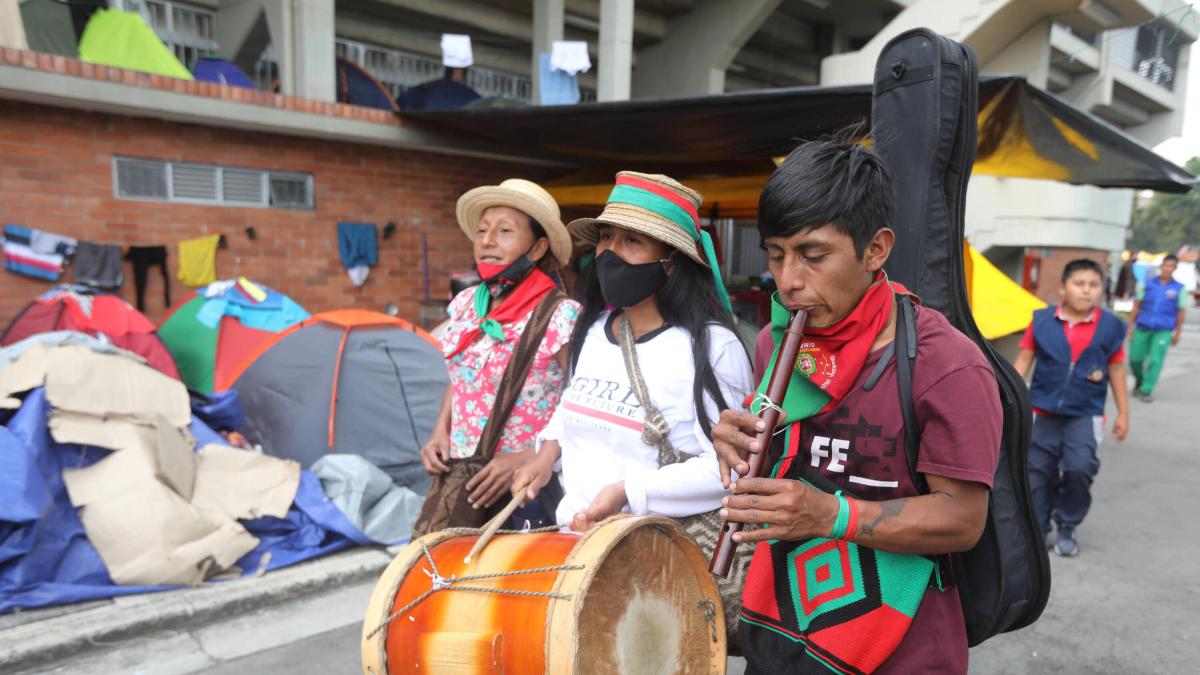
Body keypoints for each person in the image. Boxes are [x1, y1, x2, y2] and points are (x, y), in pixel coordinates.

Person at [711, 139, 1002, 674]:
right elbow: (783, 471)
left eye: (813, 255)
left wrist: (828, 514)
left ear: (876, 249)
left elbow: (963, 520)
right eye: (775, 254)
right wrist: (734, 445)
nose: (788, 280)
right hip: (780, 631)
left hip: (901, 649)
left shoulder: (947, 366)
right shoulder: (774, 344)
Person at [512, 171, 752, 529]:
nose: (609, 253)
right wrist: (545, 457)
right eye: (606, 237)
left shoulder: (713, 348)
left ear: (671, 262)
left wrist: (629, 491)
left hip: (658, 558)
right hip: (573, 546)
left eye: (632, 240)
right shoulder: (590, 332)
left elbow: (730, 467)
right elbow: (570, 408)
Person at [417, 178, 579, 529]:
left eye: (505, 231)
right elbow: (461, 377)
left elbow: (581, 397)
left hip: (524, 485)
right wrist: (440, 431)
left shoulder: (559, 315)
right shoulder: (466, 306)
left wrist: (533, 455)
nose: (487, 241)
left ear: (537, 249)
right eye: (482, 230)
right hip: (461, 475)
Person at [1012, 259, 1129, 558]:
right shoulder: (1041, 321)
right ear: (1063, 288)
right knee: (1037, 473)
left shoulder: (1112, 327)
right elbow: (1023, 362)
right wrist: (1006, 399)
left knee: (1079, 469)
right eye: (1079, 284)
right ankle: (1037, 529)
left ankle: (1067, 524)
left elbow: (1116, 370)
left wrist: (1124, 413)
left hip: (1085, 414)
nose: (1087, 291)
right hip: (1042, 413)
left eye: (1093, 285)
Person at [1127, 254, 1187, 402]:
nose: (1167, 269)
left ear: (1175, 269)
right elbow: (1136, 306)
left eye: (1171, 267)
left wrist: (1177, 332)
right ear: (1161, 266)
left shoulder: (1179, 288)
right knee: (1135, 359)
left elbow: (1181, 312)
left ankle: (1146, 389)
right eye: (1165, 265)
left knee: (1155, 360)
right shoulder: (1147, 284)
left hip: (1163, 330)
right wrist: (1130, 326)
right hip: (1143, 327)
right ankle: (1140, 380)